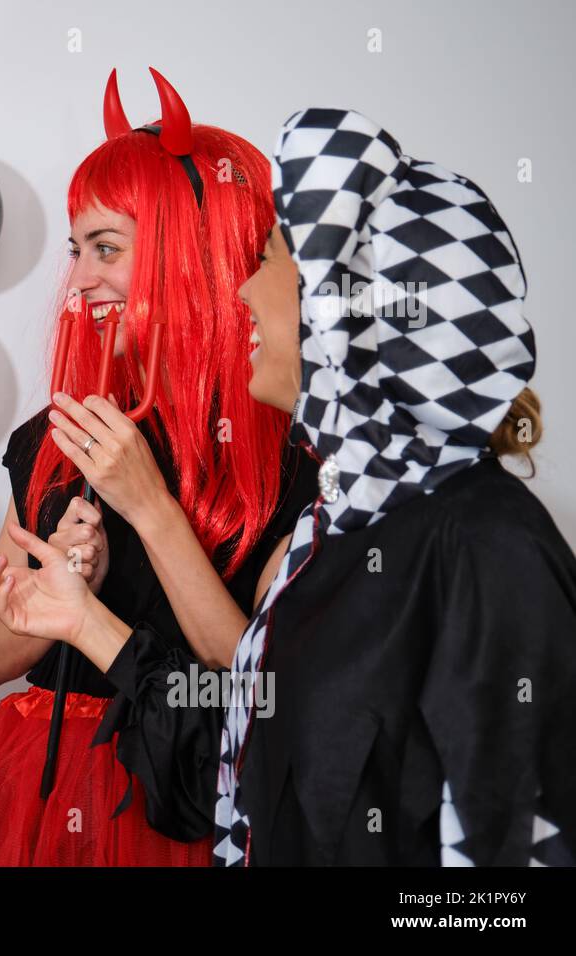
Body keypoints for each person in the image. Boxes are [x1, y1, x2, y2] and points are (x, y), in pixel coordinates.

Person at [0, 69, 317, 866]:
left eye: (106, 249)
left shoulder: (293, 456)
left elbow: (253, 676)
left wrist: (151, 507)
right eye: (76, 249)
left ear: (189, 255)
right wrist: (54, 584)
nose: (79, 279)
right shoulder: (56, 437)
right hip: (38, 784)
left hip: (180, 787)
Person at [213, 107, 576, 865]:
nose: (245, 291)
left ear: (354, 308)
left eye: (272, 256)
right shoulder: (328, 533)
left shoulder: (488, 546)